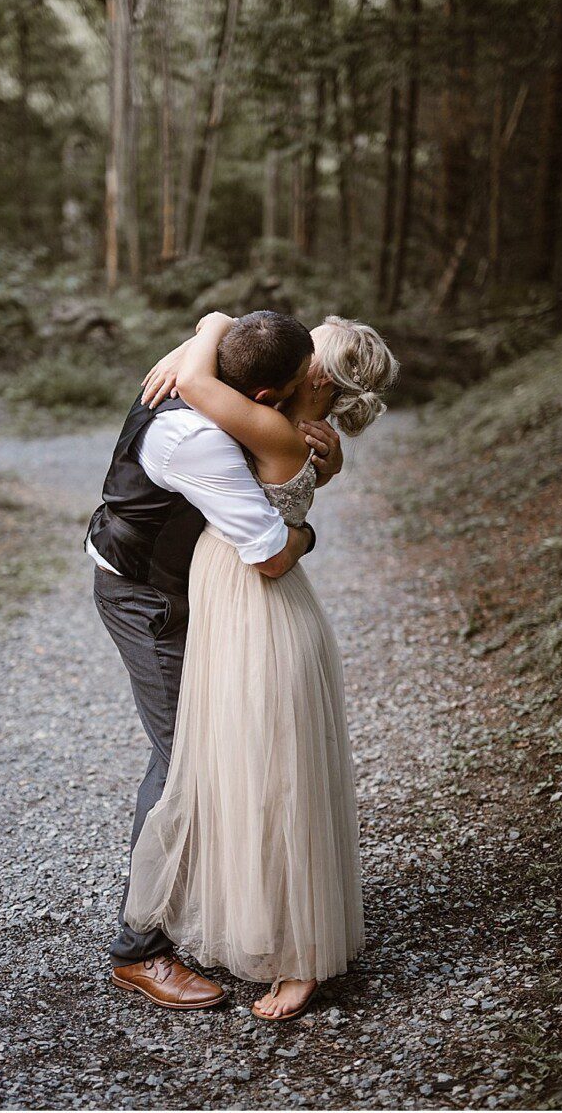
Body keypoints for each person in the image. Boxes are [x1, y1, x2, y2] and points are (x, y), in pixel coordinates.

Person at [124, 311, 398, 1020]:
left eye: (318, 332)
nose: (312, 324)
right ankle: (266, 924)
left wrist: (207, 324)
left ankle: (298, 956)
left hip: (258, 600)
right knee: (262, 765)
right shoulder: (304, 438)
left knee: (274, 773)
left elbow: (192, 378)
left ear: (309, 375)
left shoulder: (273, 428)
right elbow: (292, 491)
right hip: (249, 602)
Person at [86, 309, 343, 1011]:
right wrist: (309, 531)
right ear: (264, 396)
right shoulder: (198, 436)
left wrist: (205, 333)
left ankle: (208, 902)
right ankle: (138, 951)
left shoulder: (212, 372)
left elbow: (222, 317)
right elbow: (268, 553)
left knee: (219, 747)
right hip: (148, 599)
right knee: (183, 764)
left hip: (187, 589)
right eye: (293, 390)